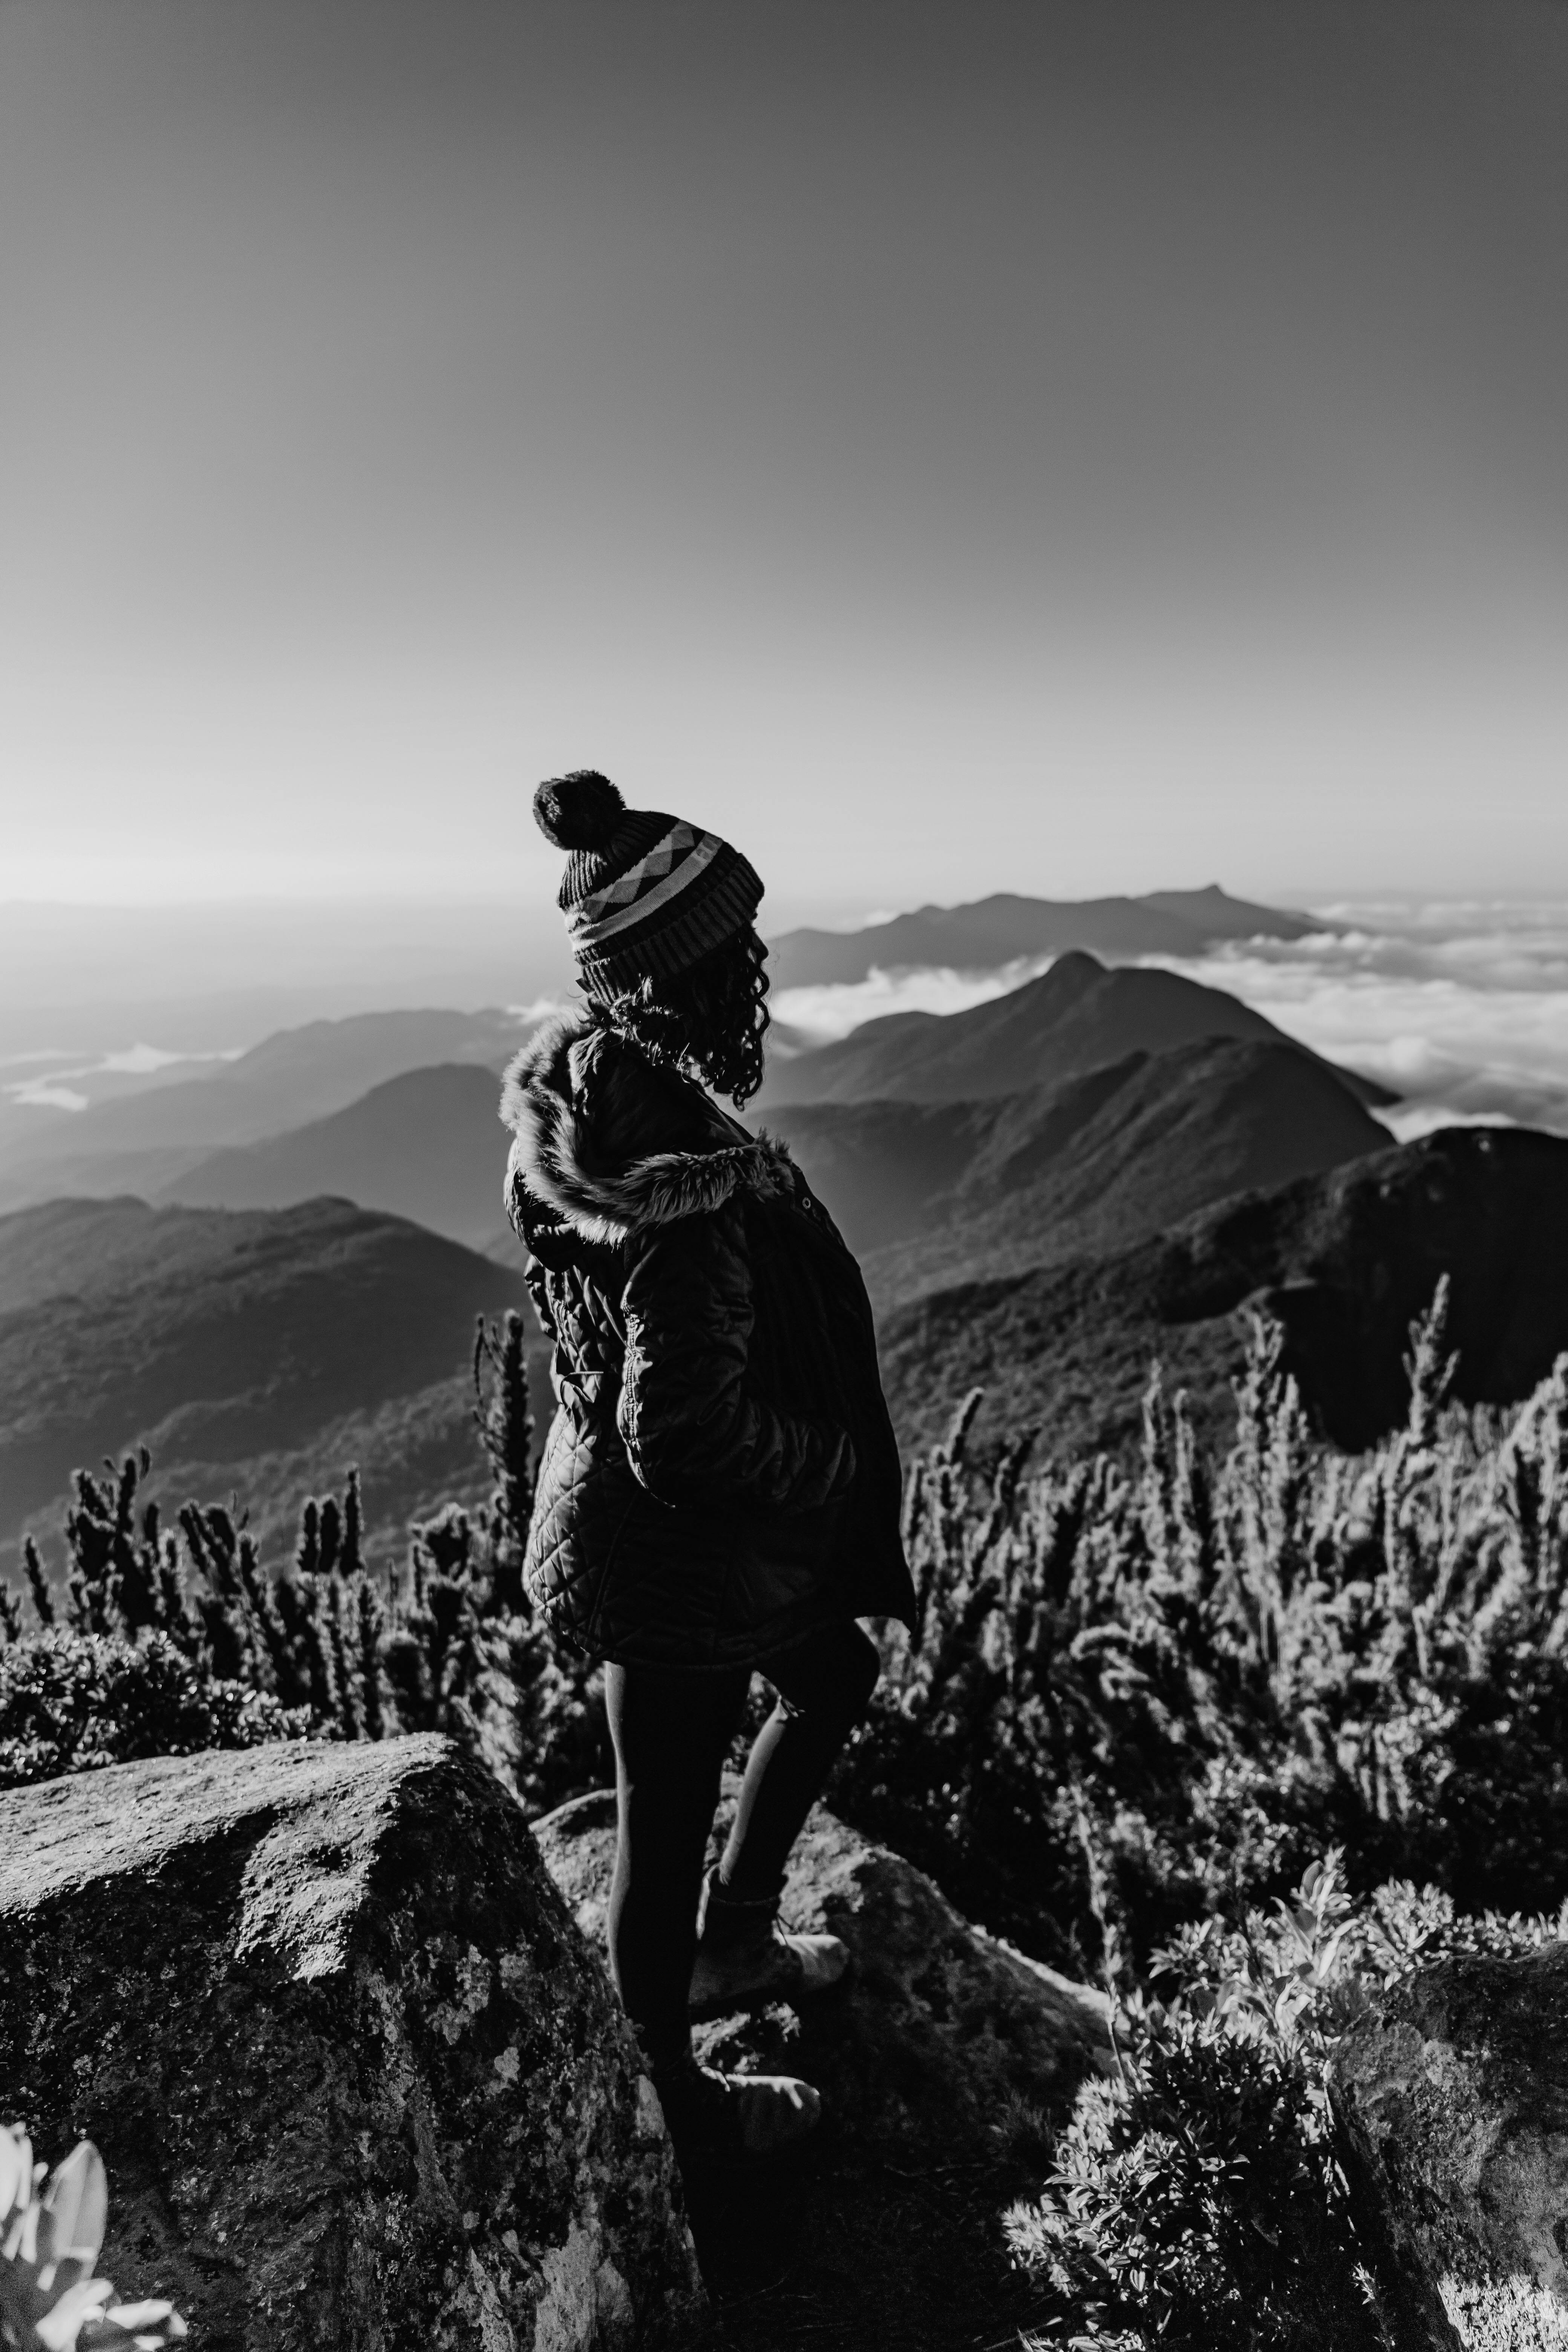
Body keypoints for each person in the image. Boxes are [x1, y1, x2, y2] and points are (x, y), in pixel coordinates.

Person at [501, 769, 916, 2165]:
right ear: (685, 974)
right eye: (739, 953)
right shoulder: (681, 1183)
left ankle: (733, 1947)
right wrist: (835, 1465)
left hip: (652, 1532)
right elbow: (680, 1431)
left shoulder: (599, 1098)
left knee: (830, 1678)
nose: (758, 975)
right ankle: (673, 2106)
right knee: (661, 1816)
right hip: (673, 1549)